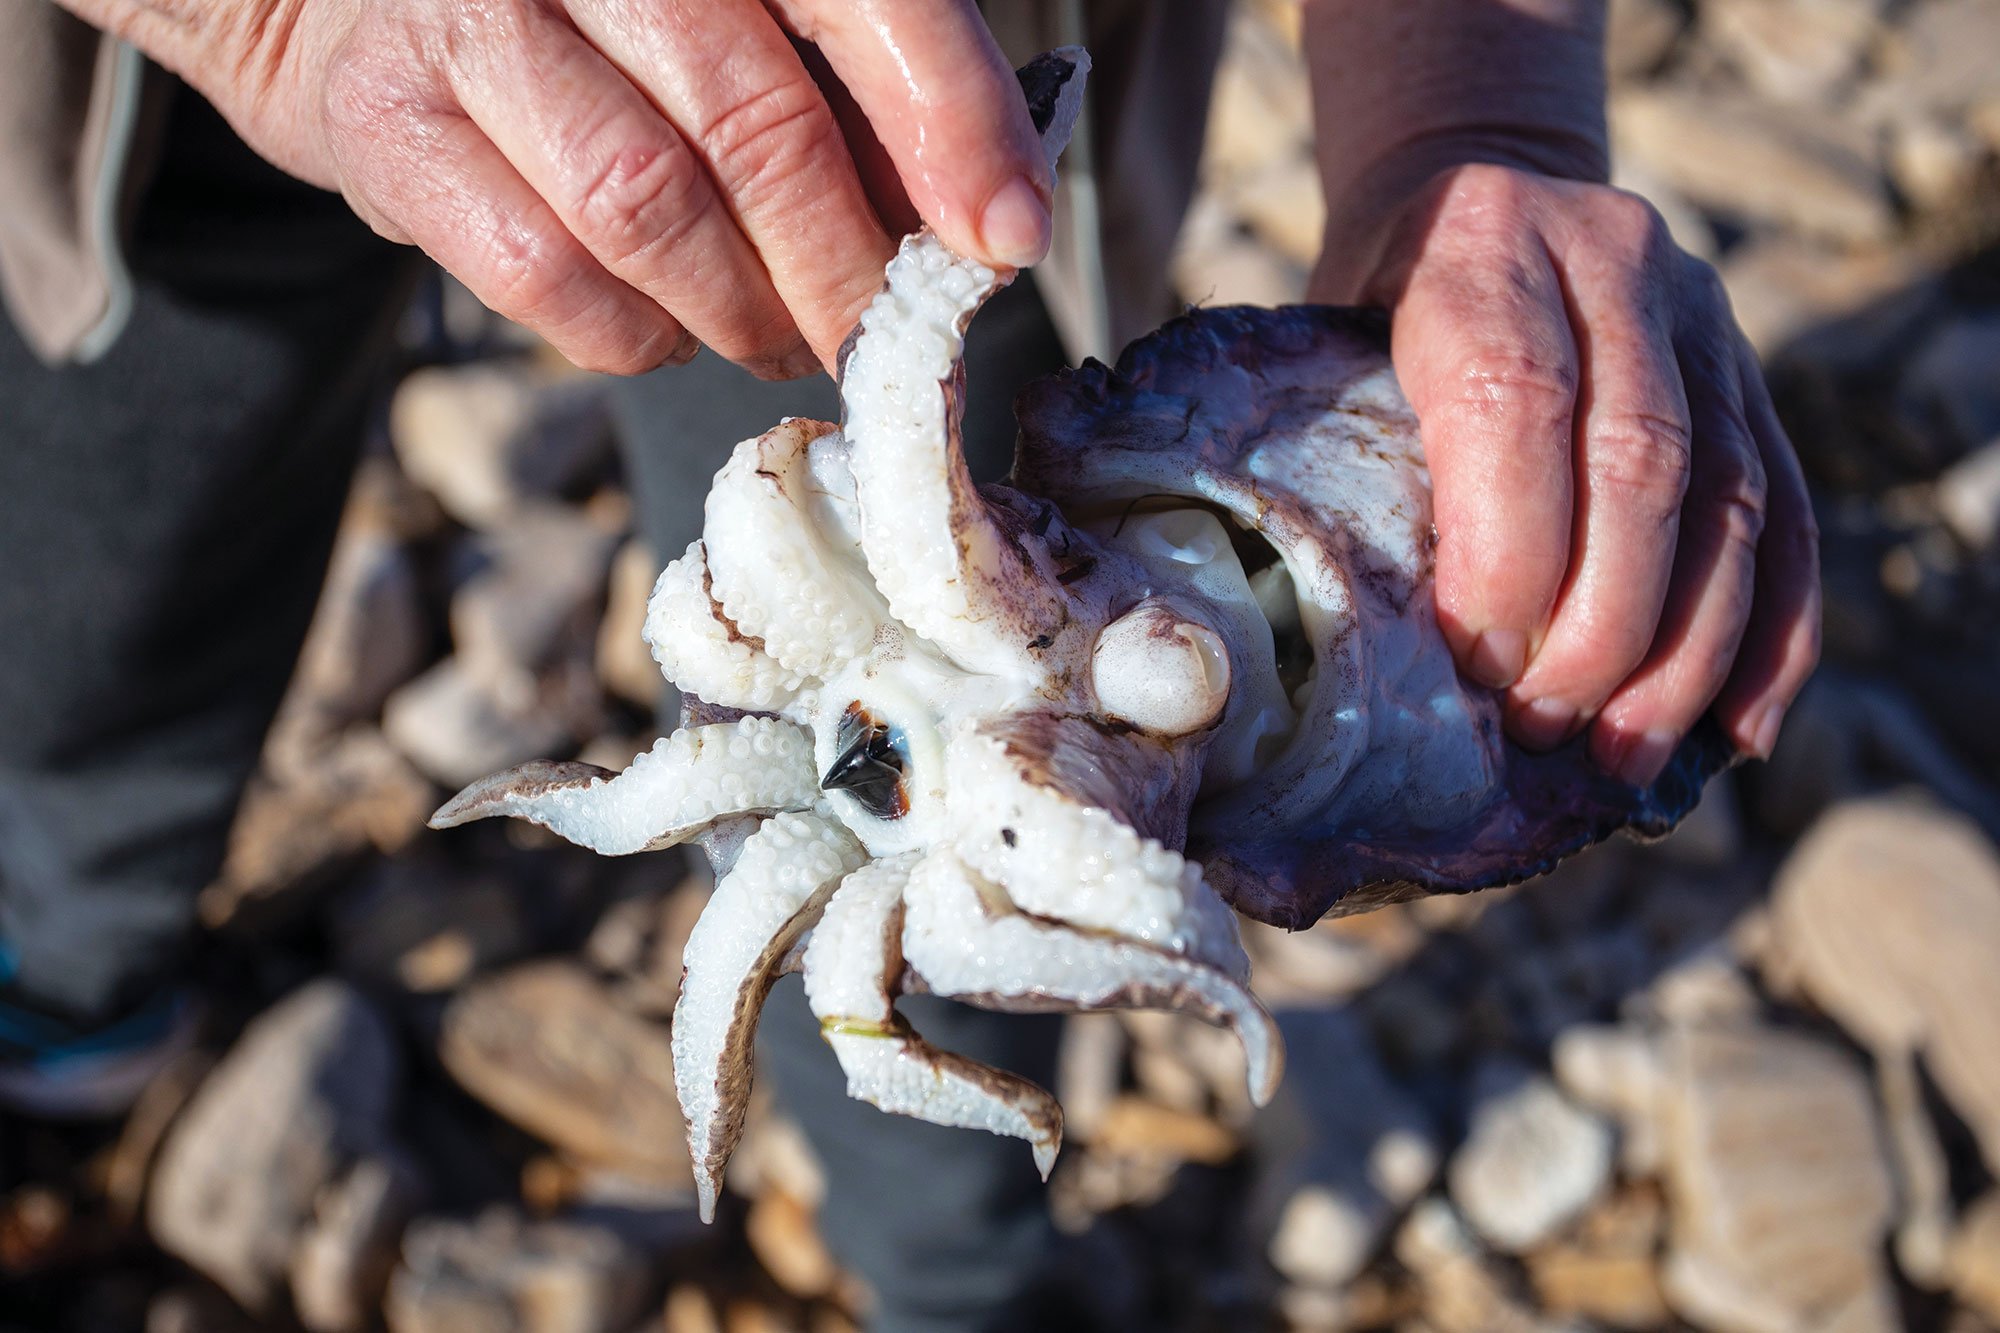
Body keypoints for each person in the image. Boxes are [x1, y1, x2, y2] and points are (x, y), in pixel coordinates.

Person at [0, 0, 1819, 1327]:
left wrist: (1464, 113)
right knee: (110, 579)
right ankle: (73, 966)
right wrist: (258, 20)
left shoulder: (901, 605)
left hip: (896, 114)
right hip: (164, 111)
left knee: (901, 961)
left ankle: (957, 1284)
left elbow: (900, 371)